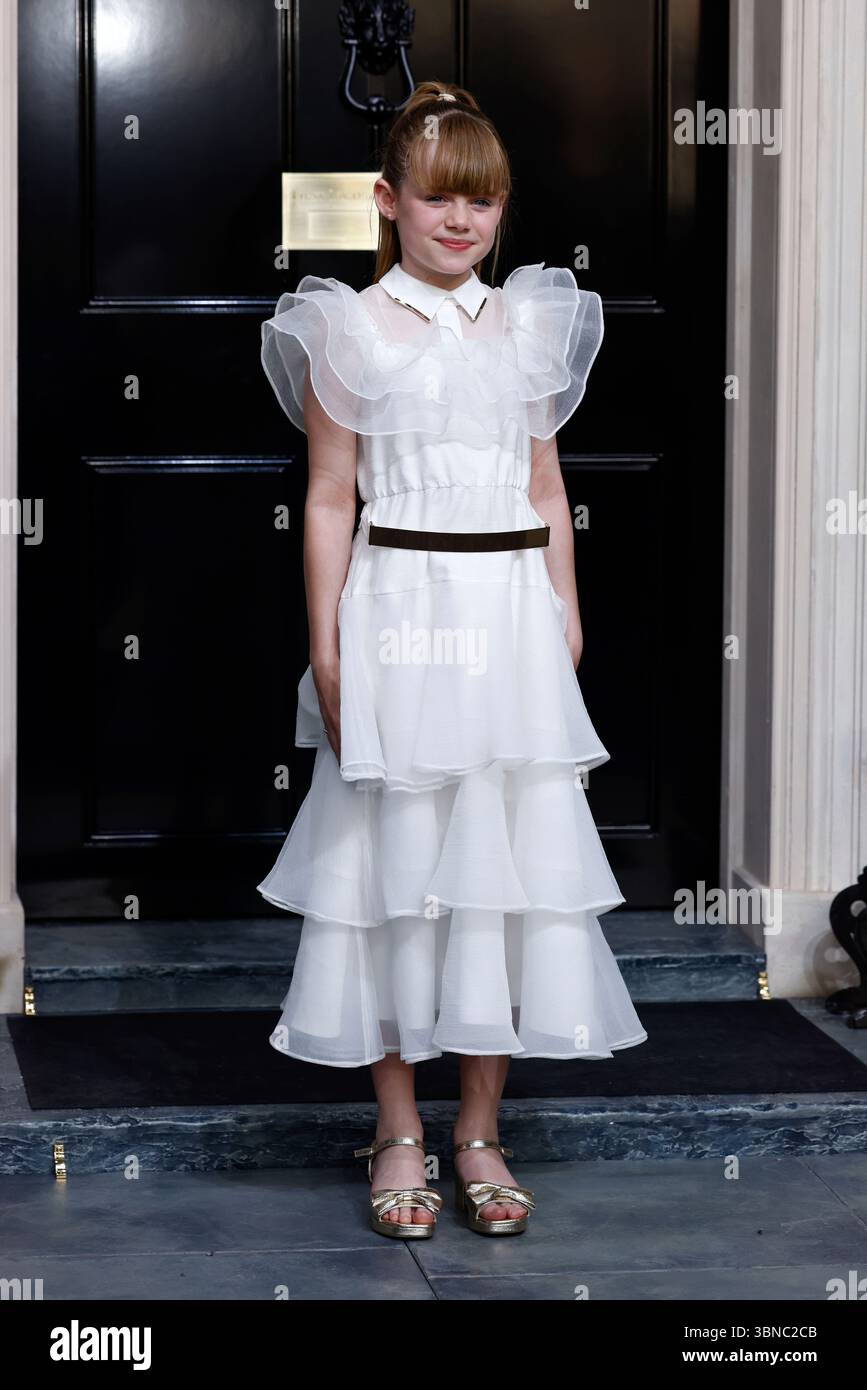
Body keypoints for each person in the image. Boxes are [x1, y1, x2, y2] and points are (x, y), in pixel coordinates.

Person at [257, 80, 647, 1239]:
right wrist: (326, 645)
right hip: (397, 608)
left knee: (499, 868)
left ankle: (479, 1126)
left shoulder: (530, 320)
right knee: (394, 872)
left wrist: (565, 611)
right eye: (437, 199)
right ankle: (400, 1131)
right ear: (390, 200)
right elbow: (330, 498)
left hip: (511, 614)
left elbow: (547, 488)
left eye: (481, 201)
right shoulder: (346, 326)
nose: (461, 222)